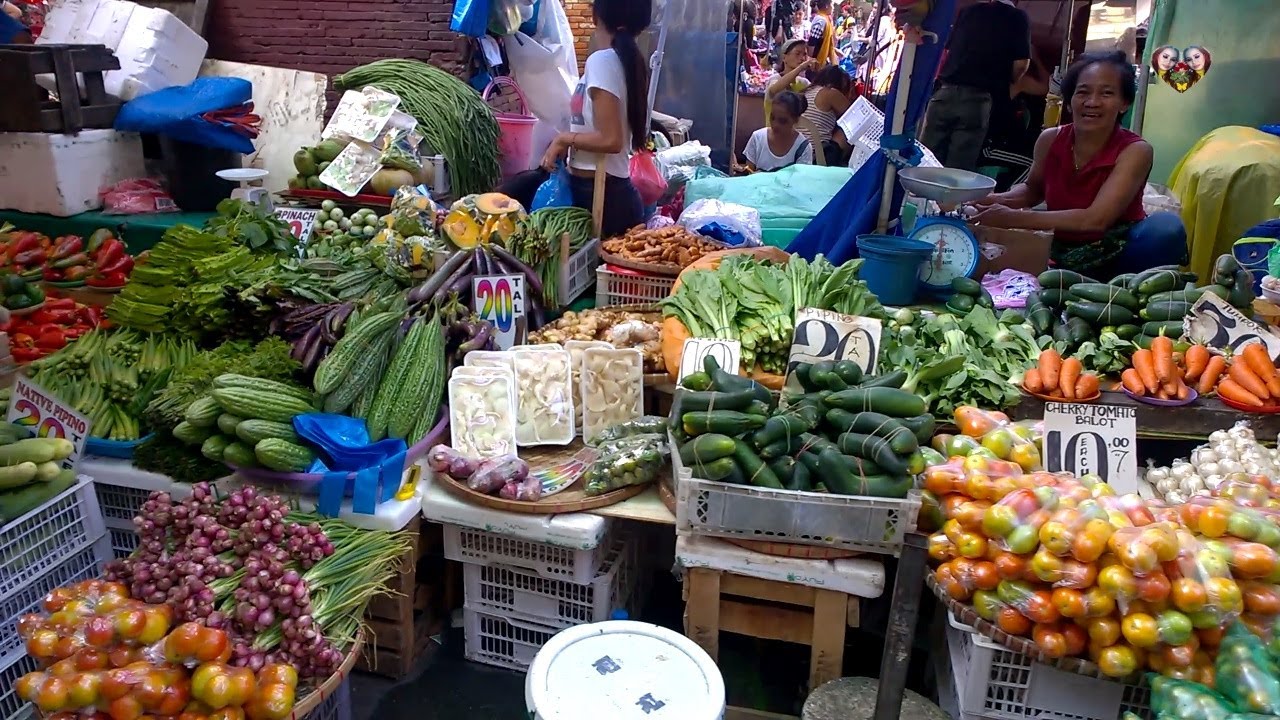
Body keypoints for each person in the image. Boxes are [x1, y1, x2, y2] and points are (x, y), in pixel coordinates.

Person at [970, 52, 1188, 278]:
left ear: (1124, 103)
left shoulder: (1135, 150)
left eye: (1107, 93)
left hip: (1118, 250)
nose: (1092, 102)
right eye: (1082, 92)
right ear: (1070, 100)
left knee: (1166, 229)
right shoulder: (1050, 139)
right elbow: (1032, 191)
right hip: (1058, 245)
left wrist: (1012, 217)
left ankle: (1119, 292)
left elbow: (1096, 220)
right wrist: (984, 199)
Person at [540, 0, 649, 238]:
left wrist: (564, 139)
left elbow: (612, 140)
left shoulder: (603, 61)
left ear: (596, 16)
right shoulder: (622, 60)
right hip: (600, 192)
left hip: (603, 196)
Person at [919, 0, 1031, 171]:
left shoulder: (967, 11)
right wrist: (1010, 81)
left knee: (925, 160)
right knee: (956, 172)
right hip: (977, 100)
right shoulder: (1017, 17)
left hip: (944, 94)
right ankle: (949, 199)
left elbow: (946, 53)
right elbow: (1021, 64)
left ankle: (915, 196)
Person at [742, 91, 814, 172]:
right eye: (772, 118)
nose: (775, 125)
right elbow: (748, 173)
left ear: (795, 120)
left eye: (782, 121)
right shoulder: (758, 138)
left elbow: (800, 180)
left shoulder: (803, 148)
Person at [801, 65, 853, 165]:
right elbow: (853, 114)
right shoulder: (831, 93)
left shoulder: (808, 91)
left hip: (800, 152)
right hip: (818, 154)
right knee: (847, 130)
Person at [764, 38, 814, 125]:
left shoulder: (804, 83)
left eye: (804, 55)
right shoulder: (775, 79)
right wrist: (801, 68)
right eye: (797, 54)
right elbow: (774, 90)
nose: (802, 58)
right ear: (784, 57)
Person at [807, 0, 839, 69]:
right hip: (817, 60)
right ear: (827, 6)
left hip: (822, 59)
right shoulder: (821, 20)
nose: (833, 8)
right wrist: (810, 59)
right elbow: (812, 40)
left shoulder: (826, 19)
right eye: (832, 5)